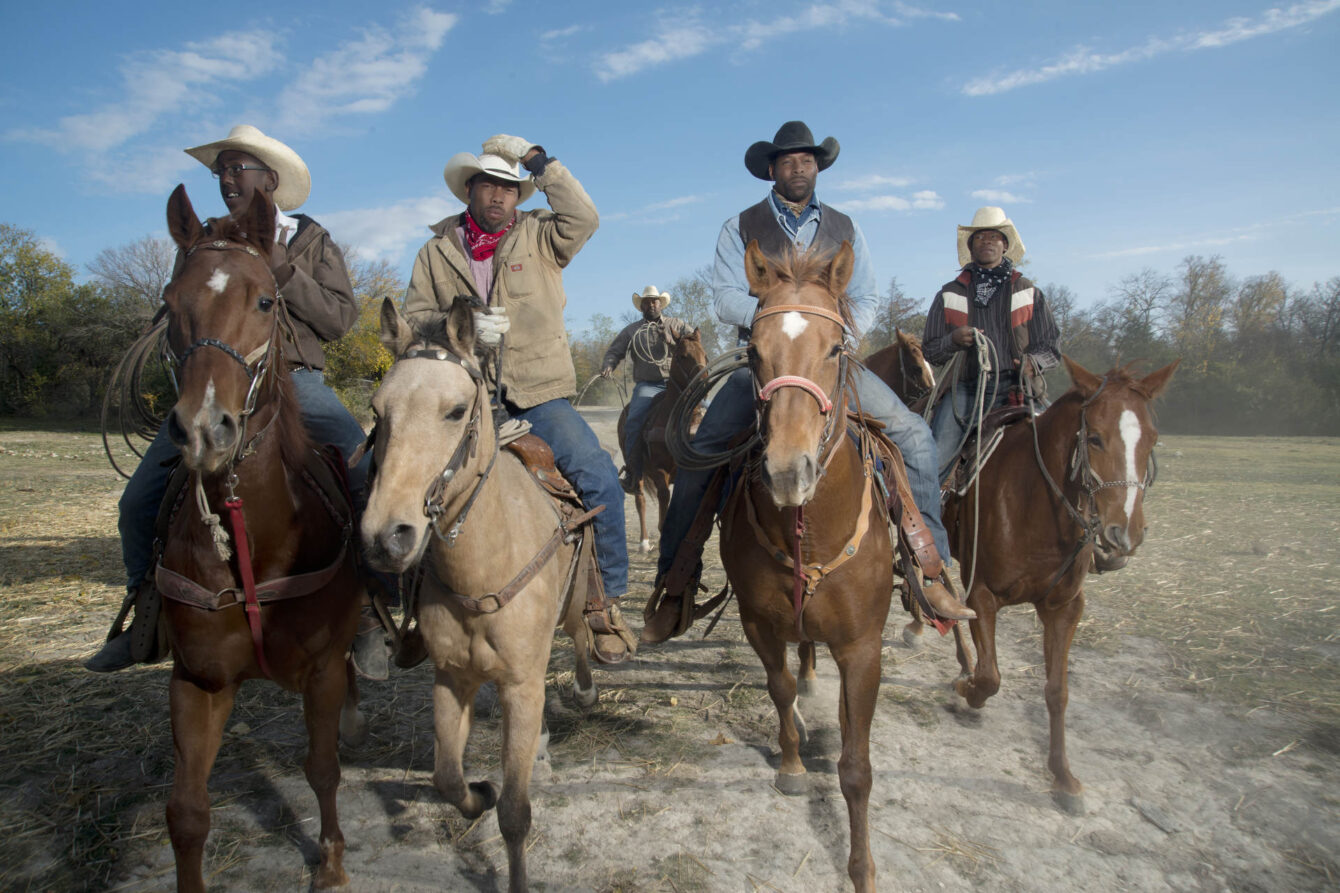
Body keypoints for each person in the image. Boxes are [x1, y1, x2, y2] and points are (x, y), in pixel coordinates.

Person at [641, 121, 974, 645]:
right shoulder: (739, 227)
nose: (798, 168)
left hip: (828, 359)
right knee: (700, 452)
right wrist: (779, 315)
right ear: (771, 170)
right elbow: (726, 295)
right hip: (767, 360)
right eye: (787, 161)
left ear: (817, 168)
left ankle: (929, 571)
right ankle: (676, 584)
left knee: (912, 435)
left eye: (807, 160)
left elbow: (864, 296)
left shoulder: (847, 226)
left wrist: (831, 330)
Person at [85, 125, 385, 673]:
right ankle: (143, 610)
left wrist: (279, 266)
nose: (226, 178)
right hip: (218, 381)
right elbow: (186, 308)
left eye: (237, 167)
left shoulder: (310, 239)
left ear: (270, 181)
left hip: (295, 378)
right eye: (221, 169)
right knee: (137, 503)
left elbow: (340, 320)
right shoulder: (205, 241)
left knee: (363, 468)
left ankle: (367, 607)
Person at [402, 135, 634, 664]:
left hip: (537, 394)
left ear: (519, 195)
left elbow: (586, 216)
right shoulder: (435, 252)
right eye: (490, 186)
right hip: (462, 396)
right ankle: (412, 609)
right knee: (393, 476)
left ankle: (605, 602)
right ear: (470, 190)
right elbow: (416, 317)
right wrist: (456, 324)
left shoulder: (541, 237)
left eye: (510, 188)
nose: (500, 197)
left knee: (598, 476)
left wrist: (538, 160)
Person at [923, 207, 1061, 484]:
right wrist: (952, 341)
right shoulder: (949, 293)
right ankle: (926, 520)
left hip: (1017, 389)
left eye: (993, 237)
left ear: (1005, 244)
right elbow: (930, 350)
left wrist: (1034, 362)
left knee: (1057, 453)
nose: (986, 242)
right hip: (965, 389)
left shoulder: (1028, 291)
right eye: (979, 237)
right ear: (971, 246)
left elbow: (1051, 346)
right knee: (934, 461)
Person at [600, 286, 694, 493]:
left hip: (676, 384)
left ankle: (712, 467)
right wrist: (608, 365)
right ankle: (634, 472)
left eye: (655, 301)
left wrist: (671, 341)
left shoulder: (676, 324)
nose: (651, 304)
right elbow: (615, 351)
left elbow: (694, 344)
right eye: (647, 302)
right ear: (641, 306)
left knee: (707, 411)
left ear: (661, 304)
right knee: (633, 423)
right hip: (648, 386)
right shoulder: (632, 331)